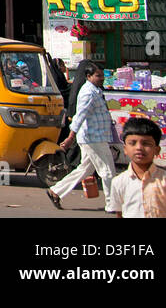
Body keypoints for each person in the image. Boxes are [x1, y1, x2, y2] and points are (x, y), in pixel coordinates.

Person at [47, 63, 116, 211]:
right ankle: (112, 204)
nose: (101, 79)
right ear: (88, 76)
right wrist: (70, 137)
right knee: (107, 171)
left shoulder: (95, 91)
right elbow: (80, 117)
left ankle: (56, 191)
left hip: (97, 136)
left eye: (102, 76)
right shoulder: (88, 93)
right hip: (93, 138)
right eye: (98, 76)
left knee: (85, 170)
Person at [108, 116, 166, 218]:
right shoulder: (119, 182)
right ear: (125, 149)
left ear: (157, 150)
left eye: (146, 143)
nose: (139, 148)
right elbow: (119, 213)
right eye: (132, 143)